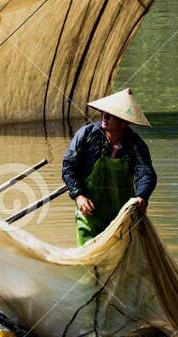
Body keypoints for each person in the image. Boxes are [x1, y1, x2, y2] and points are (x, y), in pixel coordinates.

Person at [61, 88, 156, 245]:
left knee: (120, 255)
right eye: (105, 112)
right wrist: (78, 195)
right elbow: (69, 167)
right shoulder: (87, 135)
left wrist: (142, 196)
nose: (105, 117)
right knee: (90, 258)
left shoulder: (135, 144)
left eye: (112, 115)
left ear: (125, 122)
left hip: (121, 215)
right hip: (88, 212)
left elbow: (146, 173)